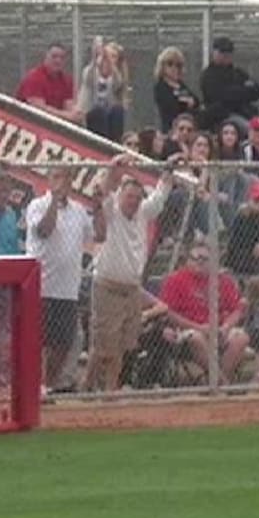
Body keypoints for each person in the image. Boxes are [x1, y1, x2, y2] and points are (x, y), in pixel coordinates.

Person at [82, 155, 176, 392]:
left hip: (132, 288)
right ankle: (107, 393)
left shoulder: (143, 213)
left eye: (136, 197)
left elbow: (160, 196)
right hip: (107, 285)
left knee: (121, 345)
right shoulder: (111, 210)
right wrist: (114, 167)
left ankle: (90, 386)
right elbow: (102, 191)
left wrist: (169, 168)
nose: (132, 202)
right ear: (120, 196)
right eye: (128, 197)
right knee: (106, 346)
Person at [25, 166, 96, 390]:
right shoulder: (37, 205)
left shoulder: (79, 210)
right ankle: (32, 386)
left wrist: (99, 207)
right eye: (56, 177)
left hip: (67, 289)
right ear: (49, 180)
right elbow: (44, 230)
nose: (61, 182)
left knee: (63, 343)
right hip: (41, 286)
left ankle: (49, 385)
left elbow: (97, 236)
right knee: (37, 341)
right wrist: (54, 201)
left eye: (65, 178)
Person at [159, 242, 252, 384]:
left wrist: (225, 328)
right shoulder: (175, 280)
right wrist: (199, 328)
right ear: (187, 260)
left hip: (219, 331)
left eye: (204, 259)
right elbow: (168, 313)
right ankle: (222, 383)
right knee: (196, 338)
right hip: (188, 331)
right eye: (194, 258)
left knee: (241, 337)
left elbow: (238, 310)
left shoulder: (223, 281)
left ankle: (216, 382)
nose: (199, 262)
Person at [198, 36, 259, 131]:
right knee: (251, 129)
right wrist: (242, 91)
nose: (225, 55)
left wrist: (235, 92)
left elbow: (256, 91)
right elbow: (221, 96)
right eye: (222, 52)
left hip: (245, 113)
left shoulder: (238, 72)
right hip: (222, 117)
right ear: (214, 53)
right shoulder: (209, 75)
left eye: (228, 52)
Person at [15, 43, 81, 124]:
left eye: (62, 58)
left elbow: (69, 106)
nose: (58, 60)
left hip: (55, 124)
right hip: (29, 123)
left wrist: (74, 114)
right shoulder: (34, 77)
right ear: (45, 57)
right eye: (54, 56)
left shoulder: (67, 80)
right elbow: (39, 110)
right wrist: (66, 116)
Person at [79, 37, 127, 142]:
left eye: (113, 56)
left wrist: (108, 59)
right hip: (90, 116)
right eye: (105, 55)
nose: (107, 59)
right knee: (98, 112)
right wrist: (95, 56)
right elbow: (89, 77)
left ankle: (114, 144)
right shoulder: (90, 71)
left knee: (117, 110)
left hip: (109, 119)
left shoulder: (116, 77)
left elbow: (117, 82)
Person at [152, 46, 199, 133]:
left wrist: (187, 102)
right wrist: (185, 102)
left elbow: (196, 101)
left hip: (188, 127)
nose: (174, 68)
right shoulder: (161, 86)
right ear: (163, 66)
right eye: (170, 64)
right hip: (170, 128)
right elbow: (169, 106)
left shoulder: (181, 85)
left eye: (178, 65)